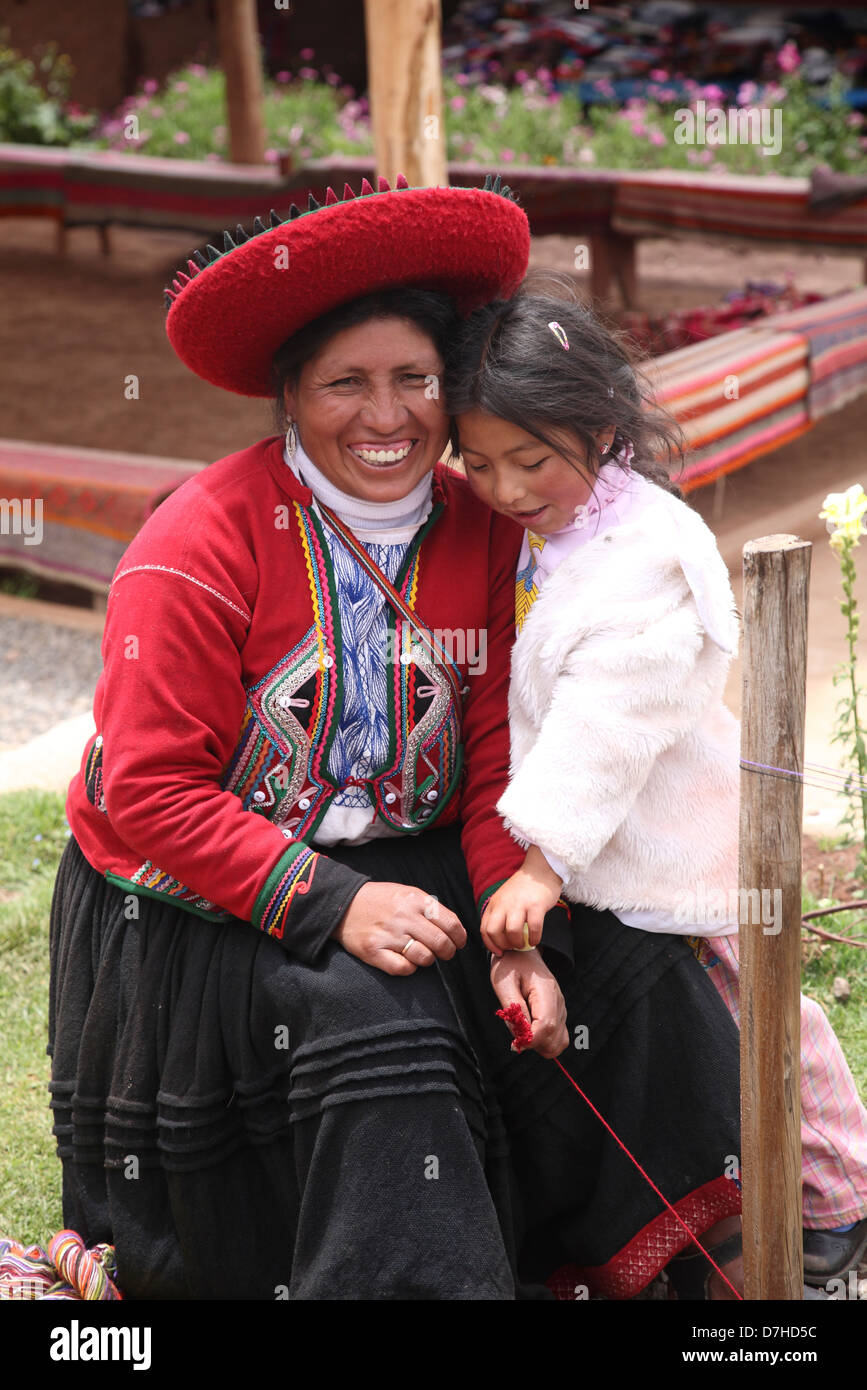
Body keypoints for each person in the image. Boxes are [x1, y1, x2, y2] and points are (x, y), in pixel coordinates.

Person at [48, 179, 744, 1301]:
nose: (389, 418)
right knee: (380, 1026)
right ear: (287, 394)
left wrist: (519, 931)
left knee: (628, 966)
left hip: (412, 855)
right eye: (346, 384)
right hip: (213, 887)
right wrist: (333, 903)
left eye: (416, 380)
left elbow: (490, 754)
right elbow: (147, 791)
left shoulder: (478, 524)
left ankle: (687, 1270)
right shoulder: (198, 544)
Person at [445, 284, 867, 1290]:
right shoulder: (570, 526)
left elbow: (608, 724)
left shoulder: (643, 558)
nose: (503, 487)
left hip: (678, 838)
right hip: (629, 841)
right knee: (727, 1018)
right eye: (481, 461)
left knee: (756, 1011)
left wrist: (540, 861)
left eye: (530, 460)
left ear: (600, 430)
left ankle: (841, 1196)